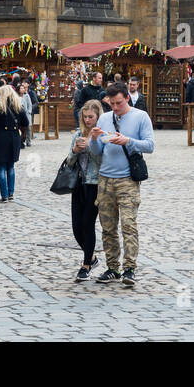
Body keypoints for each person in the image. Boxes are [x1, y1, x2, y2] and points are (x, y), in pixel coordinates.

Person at [90, 83, 155, 287]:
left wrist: (128, 141)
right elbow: (97, 151)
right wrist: (93, 139)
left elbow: (150, 145)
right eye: (112, 103)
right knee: (108, 228)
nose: (115, 107)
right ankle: (112, 268)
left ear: (127, 98)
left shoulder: (141, 116)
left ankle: (129, 268)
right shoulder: (105, 118)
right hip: (105, 179)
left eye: (118, 103)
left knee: (128, 225)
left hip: (127, 179)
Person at [68, 100, 106, 282]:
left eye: (91, 117)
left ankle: (85, 266)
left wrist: (92, 145)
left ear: (98, 117)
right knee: (76, 227)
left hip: (95, 183)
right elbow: (69, 161)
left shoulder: (102, 134)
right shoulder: (78, 134)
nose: (88, 120)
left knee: (87, 223)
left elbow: (102, 160)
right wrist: (76, 149)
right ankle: (92, 257)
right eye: (85, 117)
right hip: (78, 183)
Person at [0, 83, 28, 205]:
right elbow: (25, 122)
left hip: (1, 138)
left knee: (1, 167)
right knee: (11, 166)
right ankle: (11, 193)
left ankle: (4, 195)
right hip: (14, 137)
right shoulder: (18, 106)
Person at [18, 79, 35, 147]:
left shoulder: (27, 96)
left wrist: (29, 111)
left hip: (27, 114)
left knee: (28, 128)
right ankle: (21, 141)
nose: (23, 89)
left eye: (23, 88)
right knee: (21, 128)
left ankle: (28, 141)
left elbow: (30, 104)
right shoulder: (17, 96)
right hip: (19, 114)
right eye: (21, 88)